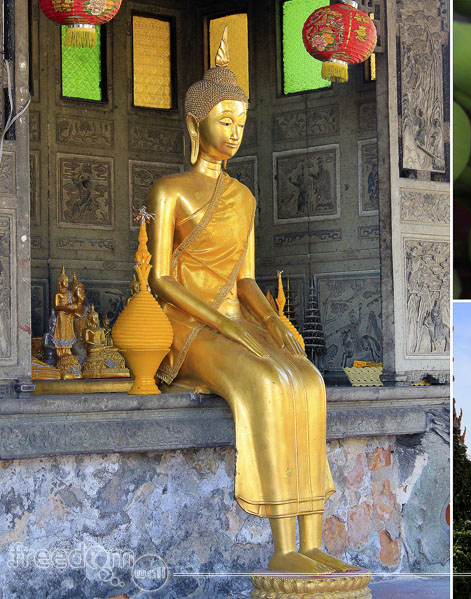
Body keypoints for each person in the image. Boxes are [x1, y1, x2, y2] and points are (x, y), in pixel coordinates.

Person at [146, 29, 351, 575]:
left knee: (306, 378)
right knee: (265, 384)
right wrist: (225, 326)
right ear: (196, 122)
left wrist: (272, 320)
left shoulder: (244, 197)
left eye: (241, 121)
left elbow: (247, 280)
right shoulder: (170, 191)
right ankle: (283, 549)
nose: (234, 132)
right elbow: (161, 280)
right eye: (224, 120)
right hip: (189, 330)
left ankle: (313, 539)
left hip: (238, 320)